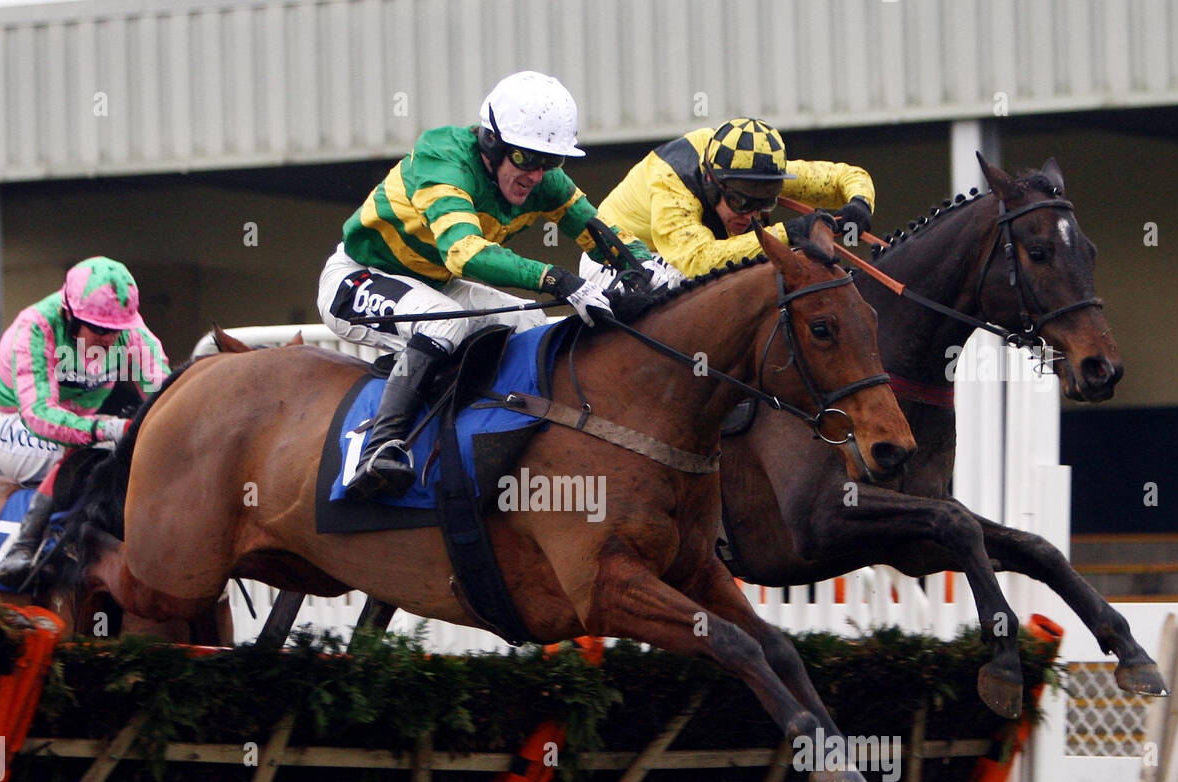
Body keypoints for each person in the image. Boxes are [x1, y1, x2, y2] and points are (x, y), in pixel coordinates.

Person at [317, 70, 668, 501]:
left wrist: (650, 267)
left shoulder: (542, 179)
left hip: (435, 284)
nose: (537, 174)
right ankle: (380, 448)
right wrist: (556, 279)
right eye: (526, 159)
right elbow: (463, 252)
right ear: (491, 144)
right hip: (357, 279)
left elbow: (600, 233)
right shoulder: (443, 161)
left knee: (531, 322)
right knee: (443, 326)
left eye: (550, 162)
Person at [0, 255, 170, 587]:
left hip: (82, 426)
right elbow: (39, 414)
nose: (109, 339)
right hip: (18, 427)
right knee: (96, 450)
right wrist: (104, 428)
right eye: (99, 329)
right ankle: (24, 544)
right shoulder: (35, 326)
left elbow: (164, 392)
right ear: (69, 315)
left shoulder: (131, 332)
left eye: (117, 330)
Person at [587, 117, 876, 281]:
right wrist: (788, 232)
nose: (750, 215)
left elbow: (844, 176)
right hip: (613, 262)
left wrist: (859, 203)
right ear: (713, 184)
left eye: (764, 203)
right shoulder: (670, 182)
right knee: (699, 283)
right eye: (741, 203)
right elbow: (698, 261)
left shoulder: (751, 166)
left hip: (676, 257)